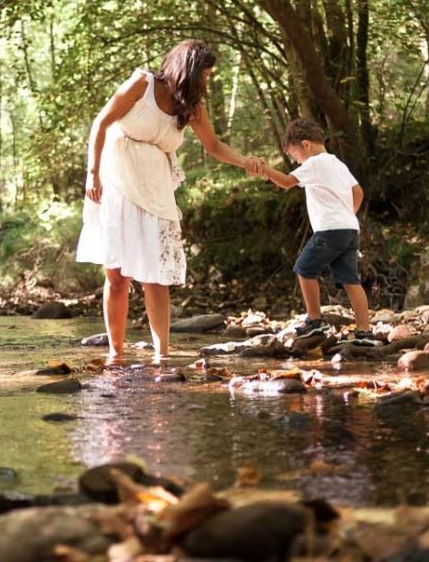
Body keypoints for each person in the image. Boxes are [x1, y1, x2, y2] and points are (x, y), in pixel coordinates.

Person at [76, 40, 252, 363]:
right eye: (205, 75)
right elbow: (101, 122)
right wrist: (92, 173)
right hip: (118, 180)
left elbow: (214, 146)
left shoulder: (191, 106)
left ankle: (162, 356)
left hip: (155, 187)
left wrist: (247, 162)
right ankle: (116, 353)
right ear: (189, 70)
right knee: (116, 275)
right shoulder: (142, 84)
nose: (206, 81)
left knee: (156, 272)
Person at [247, 118, 379, 346]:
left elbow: (286, 182)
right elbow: (358, 192)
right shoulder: (338, 163)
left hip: (329, 230)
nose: (296, 161)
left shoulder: (315, 163)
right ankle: (364, 331)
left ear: (306, 145)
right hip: (349, 229)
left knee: (304, 268)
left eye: (295, 155)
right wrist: (347, 214)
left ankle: (315, 319)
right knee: (351, 280)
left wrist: (265, 169)